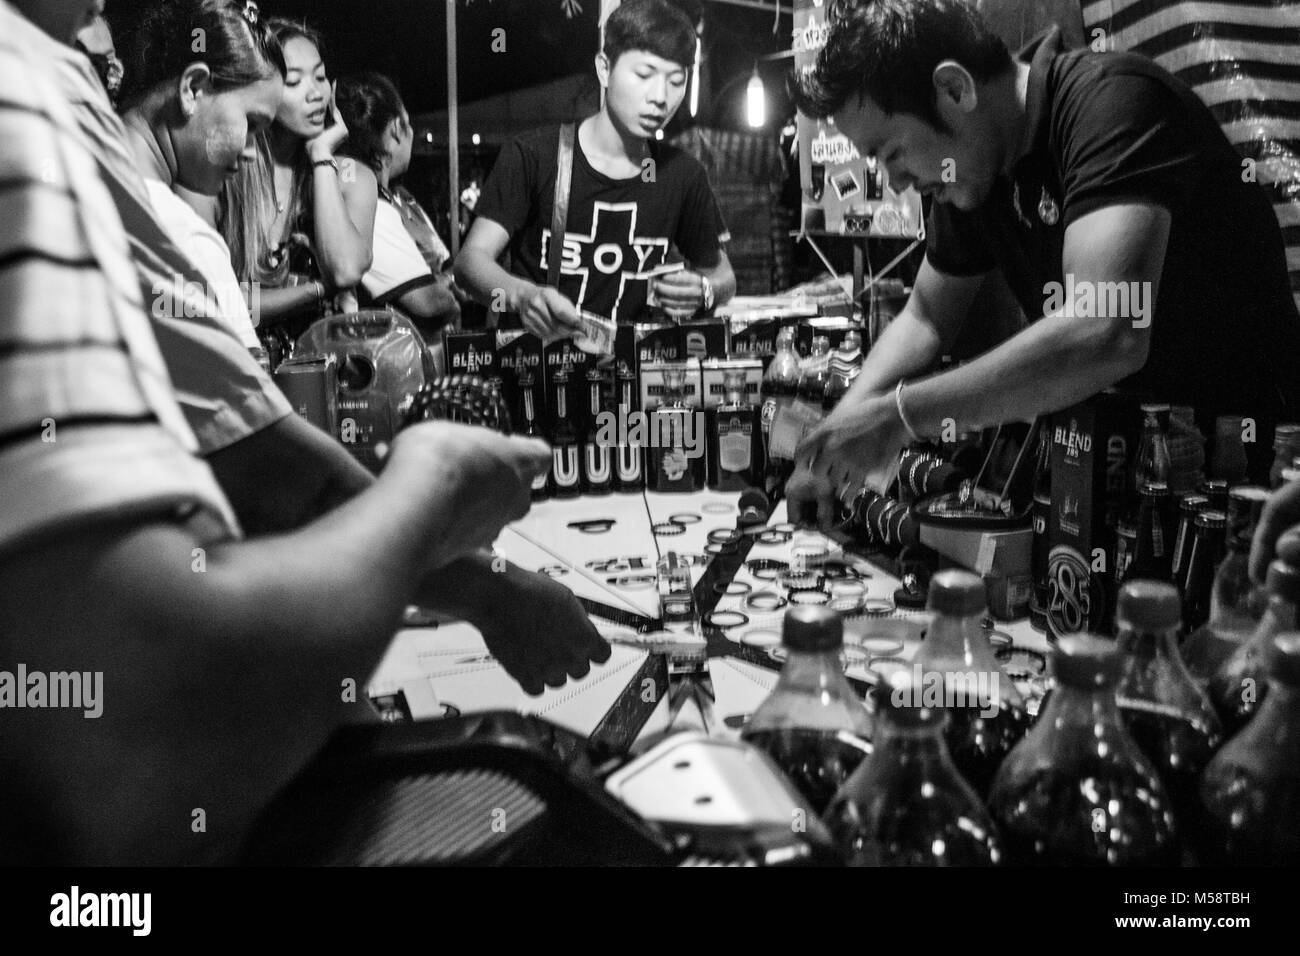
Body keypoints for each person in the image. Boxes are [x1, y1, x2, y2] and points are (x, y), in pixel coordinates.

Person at [1, 0, 606, 865]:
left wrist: (484, 590)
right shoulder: (26, 89)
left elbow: (254, 473)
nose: (254, 148)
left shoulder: (66, 108)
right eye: (249, 121)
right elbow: (131, 719)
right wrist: (430, 493)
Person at [786, 0, 1300, 526]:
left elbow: (1106, 327)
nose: (892, 182)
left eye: (891, 153)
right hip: (1129, 472)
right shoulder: (970, 170)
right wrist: (834, 443)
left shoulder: (1113, 101)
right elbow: (927, 317)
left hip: (1246, 474)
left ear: (955, 90)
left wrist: (898, 418)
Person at [455, 0, 736, 338]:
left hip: (634, 373)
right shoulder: (534, 155)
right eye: (644, 75)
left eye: (676, 81)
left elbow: (724, 277)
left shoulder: (682, 175)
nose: (661, 97)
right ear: (604, 69)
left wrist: (706, 290)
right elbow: (469, 264)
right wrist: (522, 296)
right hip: (541, 372)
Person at [216, 15, 376, 361]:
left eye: (320, 77)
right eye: (294, 81)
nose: (316, 93)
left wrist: (321, 157)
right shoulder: (228, 174)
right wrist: (317, 290)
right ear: (262, 87)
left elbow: (345, 268)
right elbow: (218, 300)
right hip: (238, 365)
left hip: (325, 372)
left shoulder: (352, 177)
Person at [335, 71, 461, 339]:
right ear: (395, 129)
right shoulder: (371, 207)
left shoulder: (402, 198)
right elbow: (429, 301)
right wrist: (448, 295)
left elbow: (449, 272)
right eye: (408, 122)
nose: (412, 132)